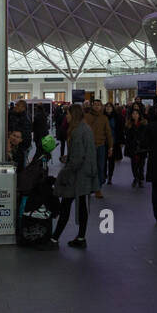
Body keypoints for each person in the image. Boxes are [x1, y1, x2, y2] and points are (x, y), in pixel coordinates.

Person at [53, 104, 95, 248]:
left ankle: (54, 238)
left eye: (68, 114)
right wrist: (69, 157)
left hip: (77, 177)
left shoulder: (77, 132)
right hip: (84, 175)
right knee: (81, 206)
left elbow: (77, 159)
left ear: (74, 115)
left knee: (65, 206)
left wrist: (65, 172)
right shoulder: (85, 129)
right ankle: (81, 237)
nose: (66, 116)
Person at [85, 99, 113, 198]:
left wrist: (110, 147)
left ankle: (98, 187)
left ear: (102, 107)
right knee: (90, 168)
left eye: (99, 105)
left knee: (101, 167)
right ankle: (92, 187)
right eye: (95, 105)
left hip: (101, 146)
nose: (97, 106)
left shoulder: (104, 118)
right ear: (92, 106)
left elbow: (108, 133)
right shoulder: (86, 117)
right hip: (89, 146)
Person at [124, 109, 148, 188]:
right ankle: (136, 177)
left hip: (142, 147)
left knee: (141, 164)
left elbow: (145, 135)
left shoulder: (143, 124)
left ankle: (140, 179)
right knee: (134, 164)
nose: (135, 115)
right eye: (133, 113)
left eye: (136, 113)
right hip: (132, 147)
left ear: (139, 115)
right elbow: (127, 136)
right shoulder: (129, 124)